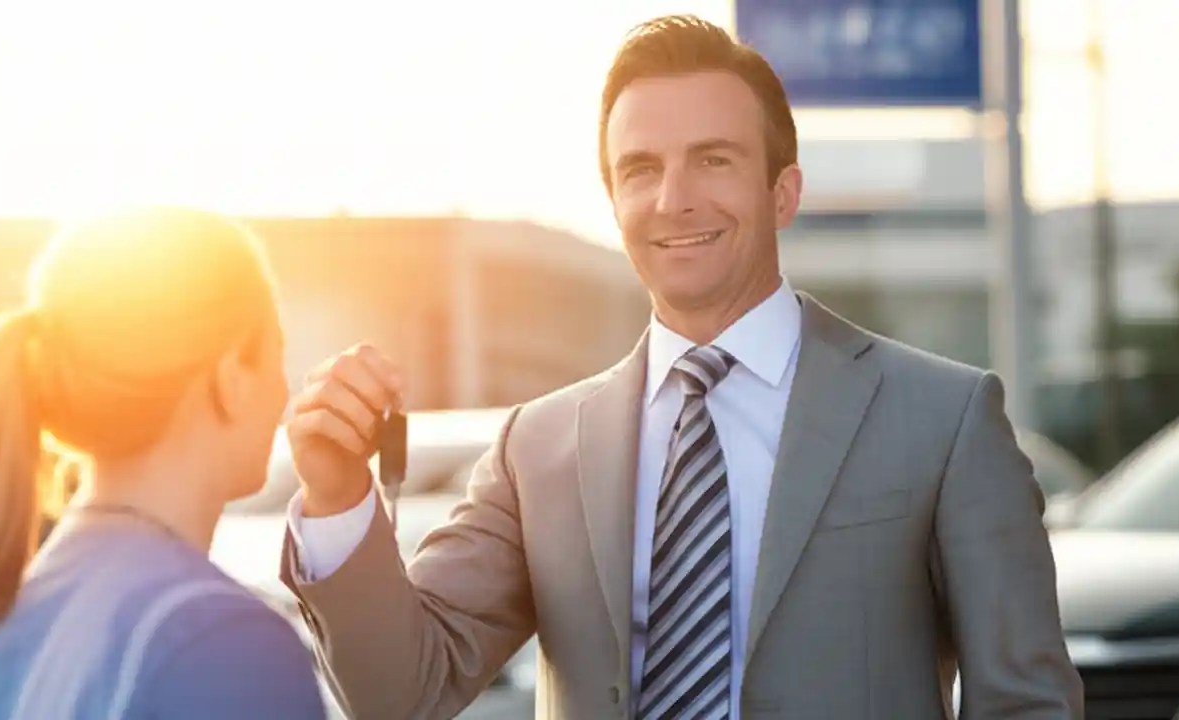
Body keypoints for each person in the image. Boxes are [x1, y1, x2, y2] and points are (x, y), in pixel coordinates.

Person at [280, 15, 1084, 720]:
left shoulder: (942, 419)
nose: (674, 198)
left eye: (713, 160)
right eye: (640, 170)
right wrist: (336, 495)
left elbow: (1025, 703)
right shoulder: (540, 448)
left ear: (783, 193)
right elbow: (400, 695)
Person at [0, 207, 325, 719]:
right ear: (230, 376)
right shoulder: (225, 645)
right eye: (275, 354)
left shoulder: (17, 617)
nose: (285, 390)